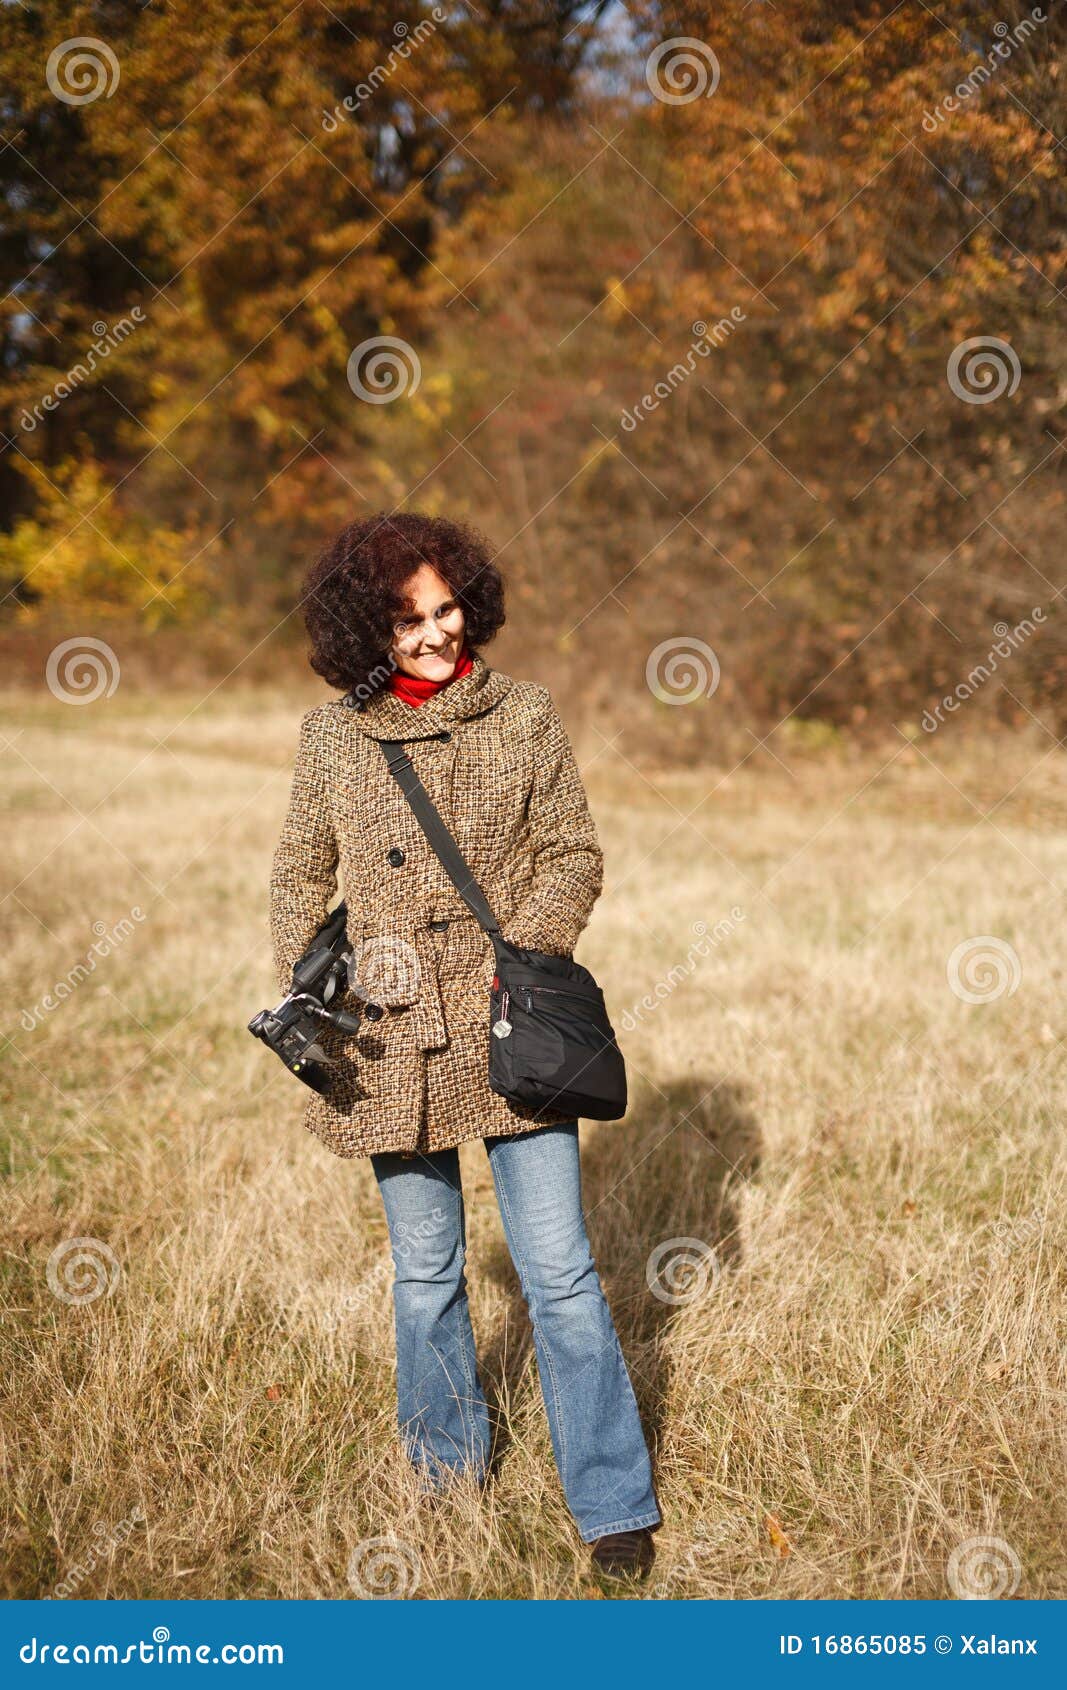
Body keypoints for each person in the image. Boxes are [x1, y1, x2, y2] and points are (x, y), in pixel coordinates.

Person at [269, 511, 662, 1581]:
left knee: (561, 1273)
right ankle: (447, 1475)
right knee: (426, 1275)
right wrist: (307, 986)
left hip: (509, 1026)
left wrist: (520, 956)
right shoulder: (330, 736)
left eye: (446, 611)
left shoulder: (524, 715)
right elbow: (299, 871)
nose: (436, 635)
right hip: (388, 1040)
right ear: (367, 631)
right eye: (408, 621)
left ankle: (613, 1499)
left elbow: (573, 852)